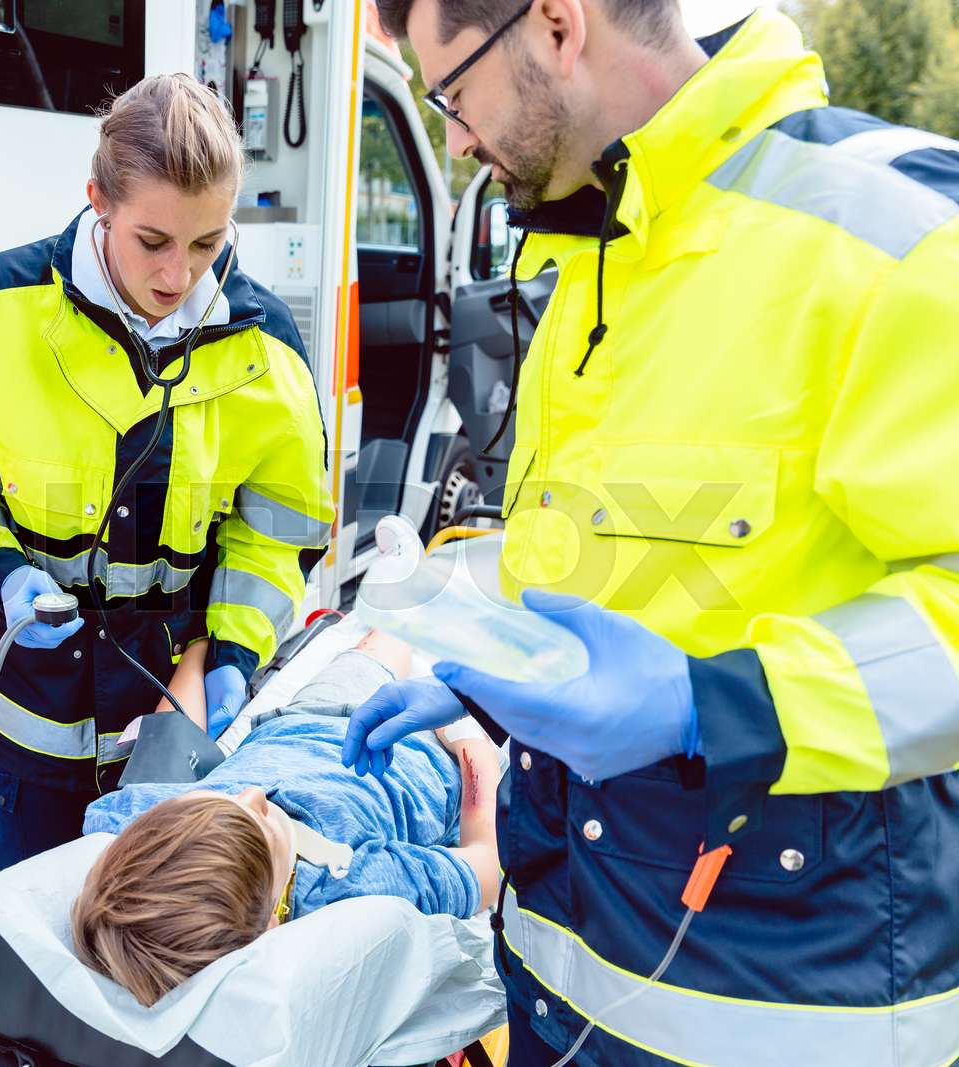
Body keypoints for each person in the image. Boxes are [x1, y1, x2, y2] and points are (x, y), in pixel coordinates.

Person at [344, 1, 959, 1063]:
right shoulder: (597, 252)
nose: (450, 137)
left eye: (451, 93)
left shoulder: (894, 231)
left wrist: (706, 705)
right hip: (559, 980)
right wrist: (503, 672)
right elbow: (635, 561)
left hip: (788, 994)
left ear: (554, 25)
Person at [0, 73, 333, 869]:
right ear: (98, 199)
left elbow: (280, 532)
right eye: (154, 242)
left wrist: (232, 656)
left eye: (209, 244)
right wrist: (1, 571)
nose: (180, 277)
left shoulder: (267, 349)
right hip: (37, 734)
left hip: (176, 739)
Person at [73, 632, 501, 1006]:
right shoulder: (347, 889)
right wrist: (469, 737)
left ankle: (402, 594)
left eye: (227, 802)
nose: (254, 794)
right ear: (272, 923)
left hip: (303, 719)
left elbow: (170, 741)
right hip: (422, 755)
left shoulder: (131, 828)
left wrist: (200, 652)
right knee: (469, 650)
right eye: (264, 824)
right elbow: (485, 865)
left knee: (385, 638)